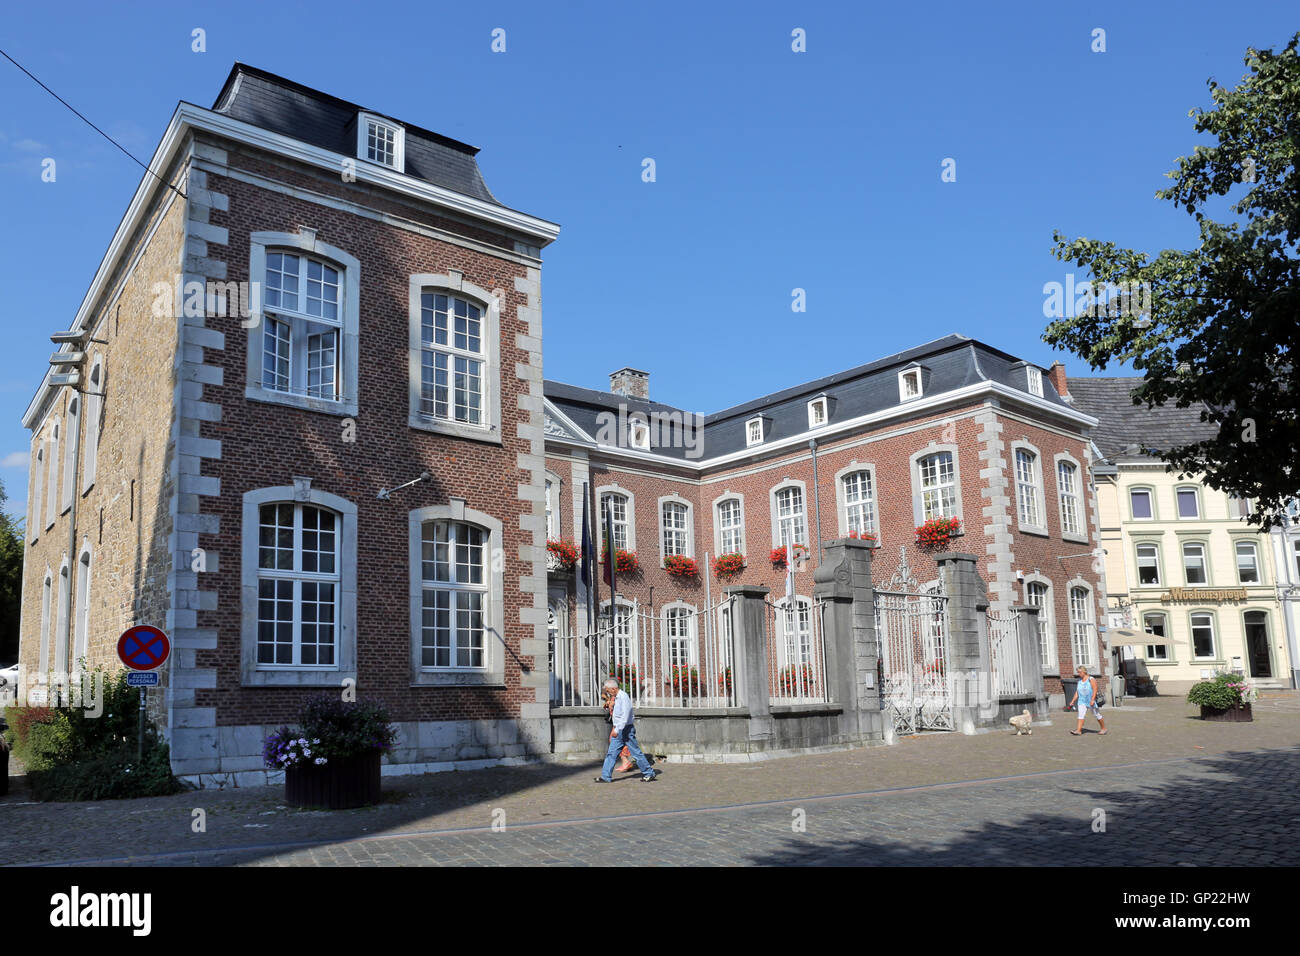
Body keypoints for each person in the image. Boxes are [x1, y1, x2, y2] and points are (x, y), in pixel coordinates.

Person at [596, 679, 657, 783]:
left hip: (625, 729)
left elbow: (625, 715)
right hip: (619, 728)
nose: (607, 692)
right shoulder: (616, 697)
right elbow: (618, 713)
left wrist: (617, 729)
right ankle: (605, 776)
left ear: (614, 688)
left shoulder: (623, 697)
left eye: (608, 690)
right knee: (611, 753)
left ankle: (649, 773)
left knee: (635, 752)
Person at [1068, 665, 1108, 735]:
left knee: (1097, 714)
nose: (1079, 674)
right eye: (1078, 672)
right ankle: (1079, 730)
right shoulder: (1079, 681)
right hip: (1082, 701)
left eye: (1080, 672)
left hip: (1090, 700)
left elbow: (1095, 689)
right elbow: (1077, 692)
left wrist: (1092, 700)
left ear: (1084, 672)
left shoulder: (1091, 679)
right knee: (1081, 715)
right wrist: (1072, 701)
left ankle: (1103, 728)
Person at [603, 690, 635, 773]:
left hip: (619, 725)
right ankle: (625, 762)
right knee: (619, 743)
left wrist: (610, 703)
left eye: (607, 689)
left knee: (620, 743)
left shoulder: (619, 697)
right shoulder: (614, 697)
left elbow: (621, 711)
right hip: (617, 724)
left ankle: (626, 762)